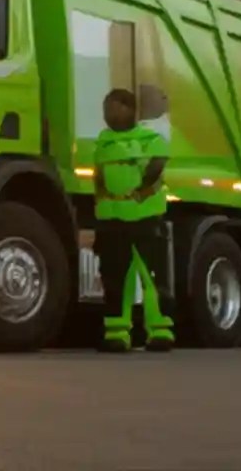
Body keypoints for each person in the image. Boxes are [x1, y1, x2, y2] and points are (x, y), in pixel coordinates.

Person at [93, 88, 174, 353]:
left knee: (151, 276)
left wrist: (140, 191)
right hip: (112, 220)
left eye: (113, 107)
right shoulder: (103, 142)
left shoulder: (150, 139)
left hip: (145, 217)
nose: (108, 114)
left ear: (130, 108)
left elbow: (157, 165)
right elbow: (99, 178)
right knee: (115, 278)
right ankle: (117, 334)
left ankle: (160, 331)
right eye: (106, 108)